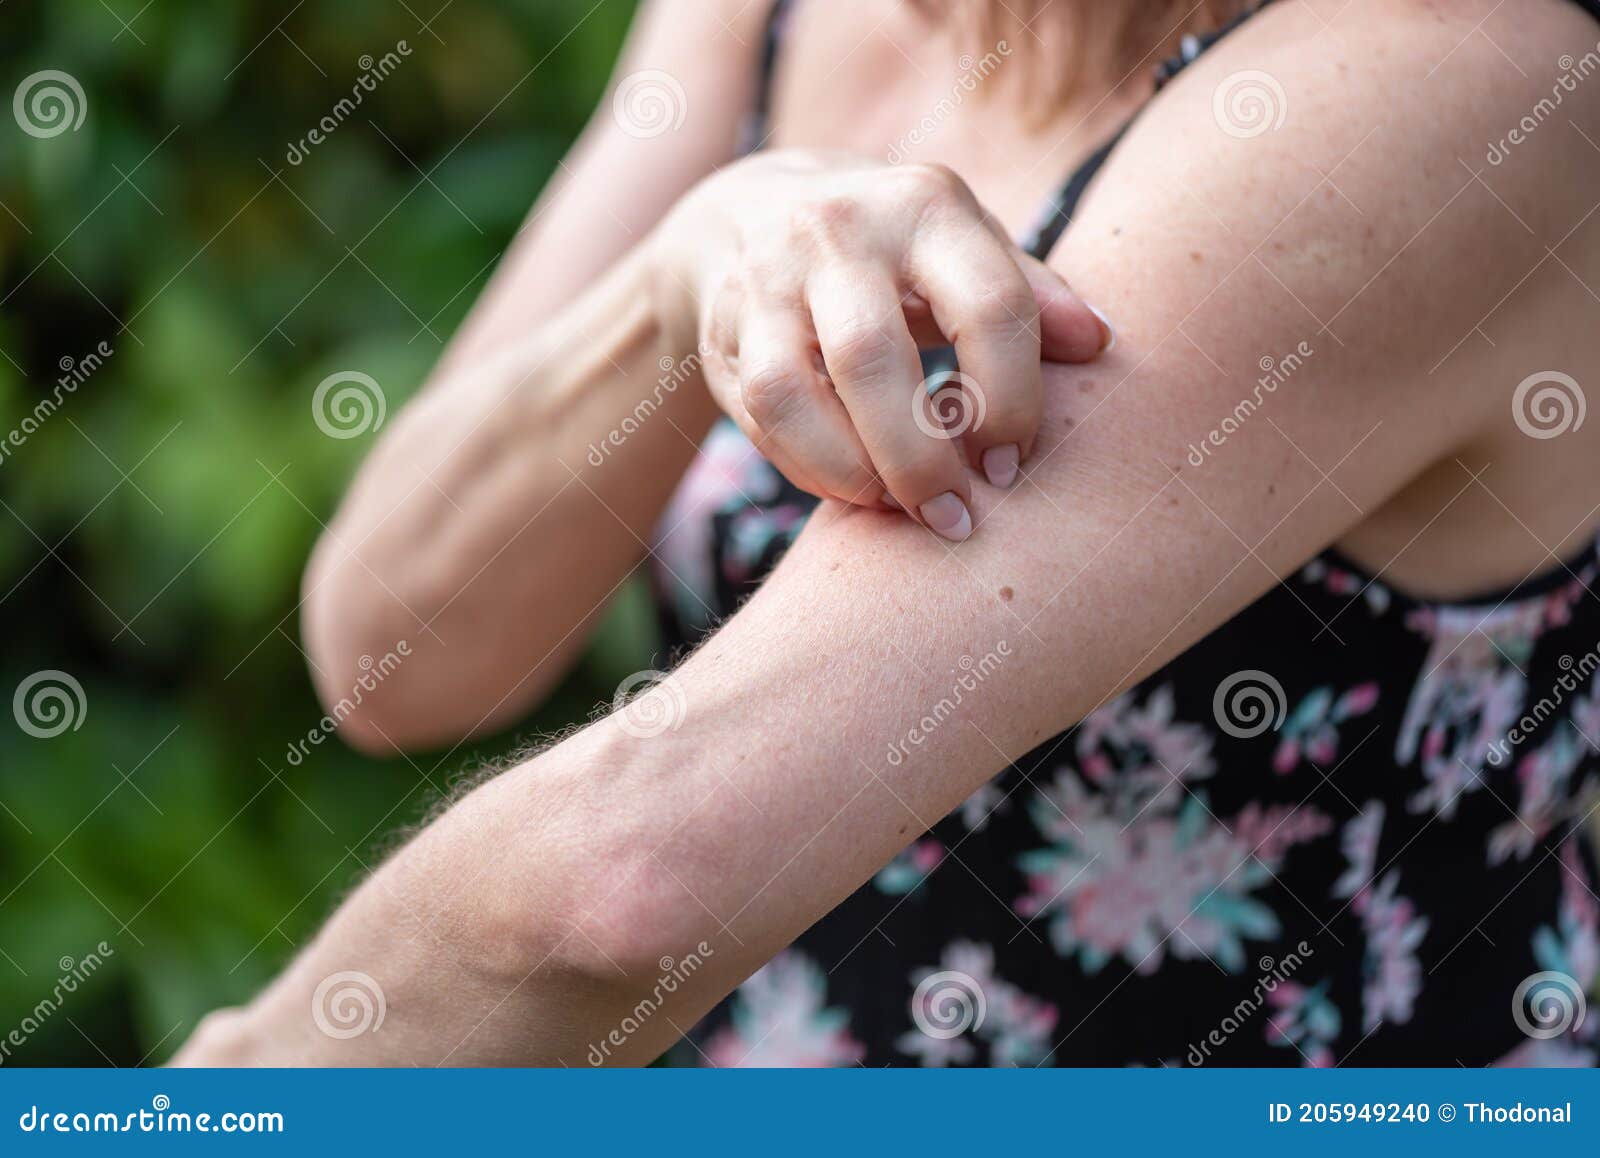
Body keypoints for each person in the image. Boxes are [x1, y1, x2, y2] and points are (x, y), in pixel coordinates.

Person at [177, 0, 1600, 1066]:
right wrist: (684, 280)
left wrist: (238, 1083)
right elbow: (393, 649)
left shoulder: (1432, 89)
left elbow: (627, 878)